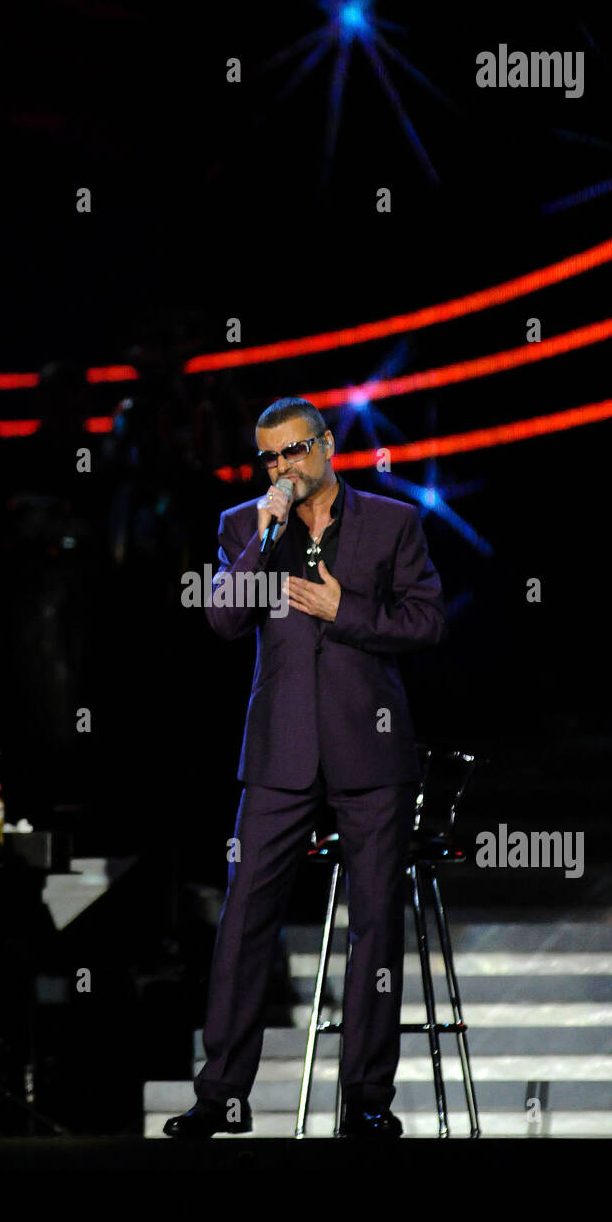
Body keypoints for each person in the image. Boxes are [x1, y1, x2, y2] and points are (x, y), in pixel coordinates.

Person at [164, 397, 448, 1139]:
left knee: (376, 925)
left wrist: (342, 608)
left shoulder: (393, 522)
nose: (281, 468)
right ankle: (222, 1093)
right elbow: (225, 619)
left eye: (293, 452)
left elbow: (427, 623)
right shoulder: (244, 525)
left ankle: (365, 1098)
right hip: (280, 752)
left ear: (326, 446)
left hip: (370, 749)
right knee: (245, 917)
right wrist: (265, 534)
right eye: (269, 458)